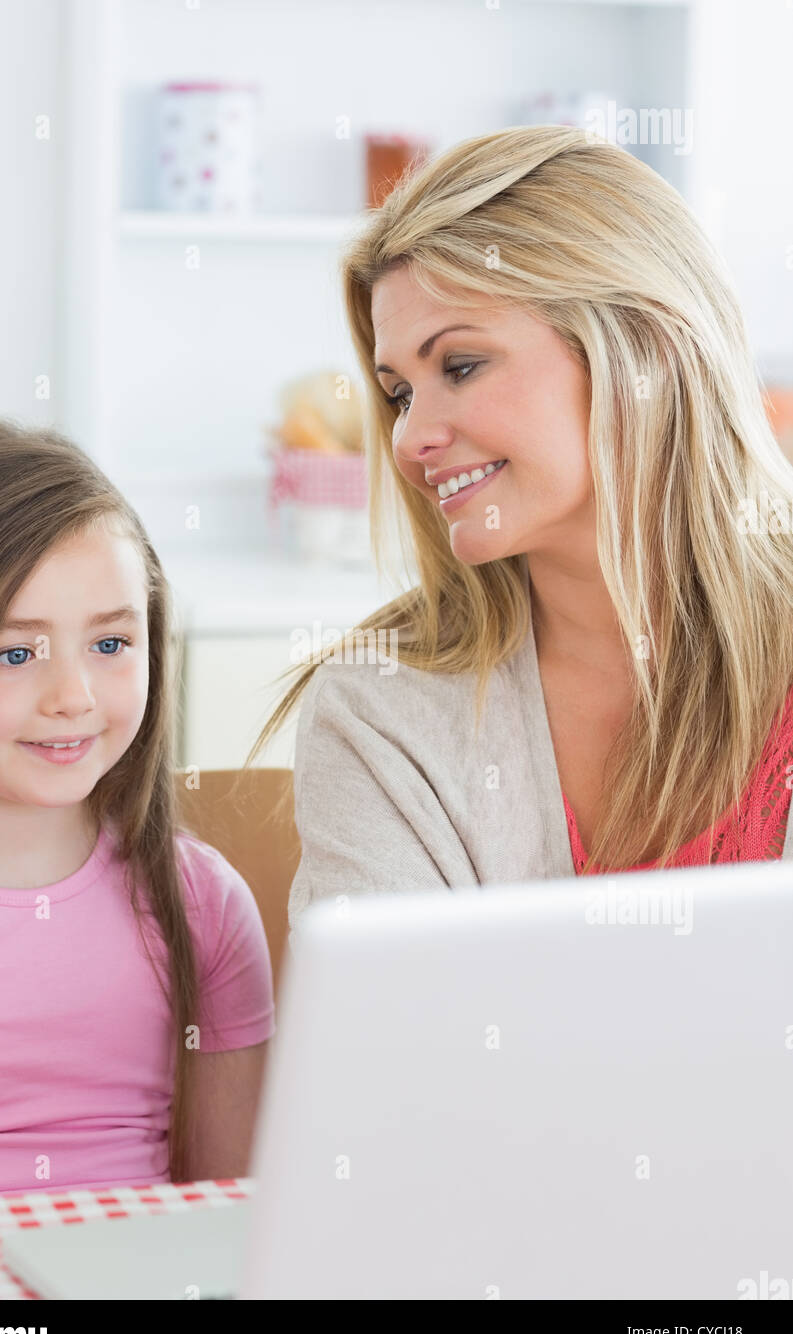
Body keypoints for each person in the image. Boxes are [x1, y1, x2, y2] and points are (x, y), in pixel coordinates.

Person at [240, 125, 793, 931]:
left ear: (644, 348)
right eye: (398, 393)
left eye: (459, 366)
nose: (407, 438)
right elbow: (398, 1046)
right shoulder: (382, 710)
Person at [0, 418, 274, 1201]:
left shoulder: (203, 904)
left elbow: (226, 1209)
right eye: (14, 652)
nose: (72, 698)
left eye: (110, 645)